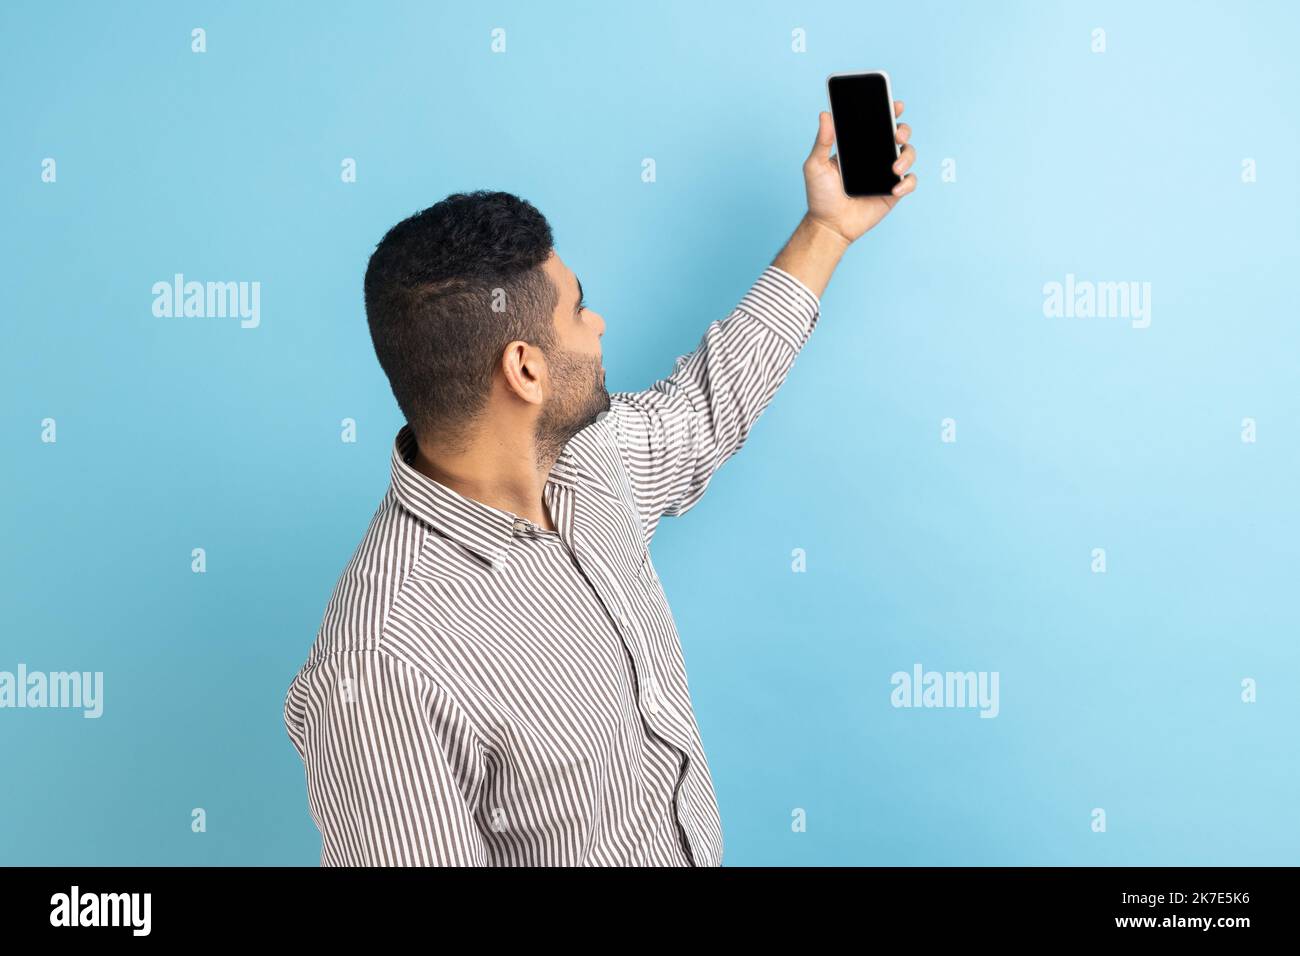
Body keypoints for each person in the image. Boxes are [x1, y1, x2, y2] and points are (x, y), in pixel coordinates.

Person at [282, 106, 917, 866]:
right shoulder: (382, 664)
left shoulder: (587, 463)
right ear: (525, 368)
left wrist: (828, 230)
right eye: (578, 308)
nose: (600, 323)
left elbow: (705, 407)